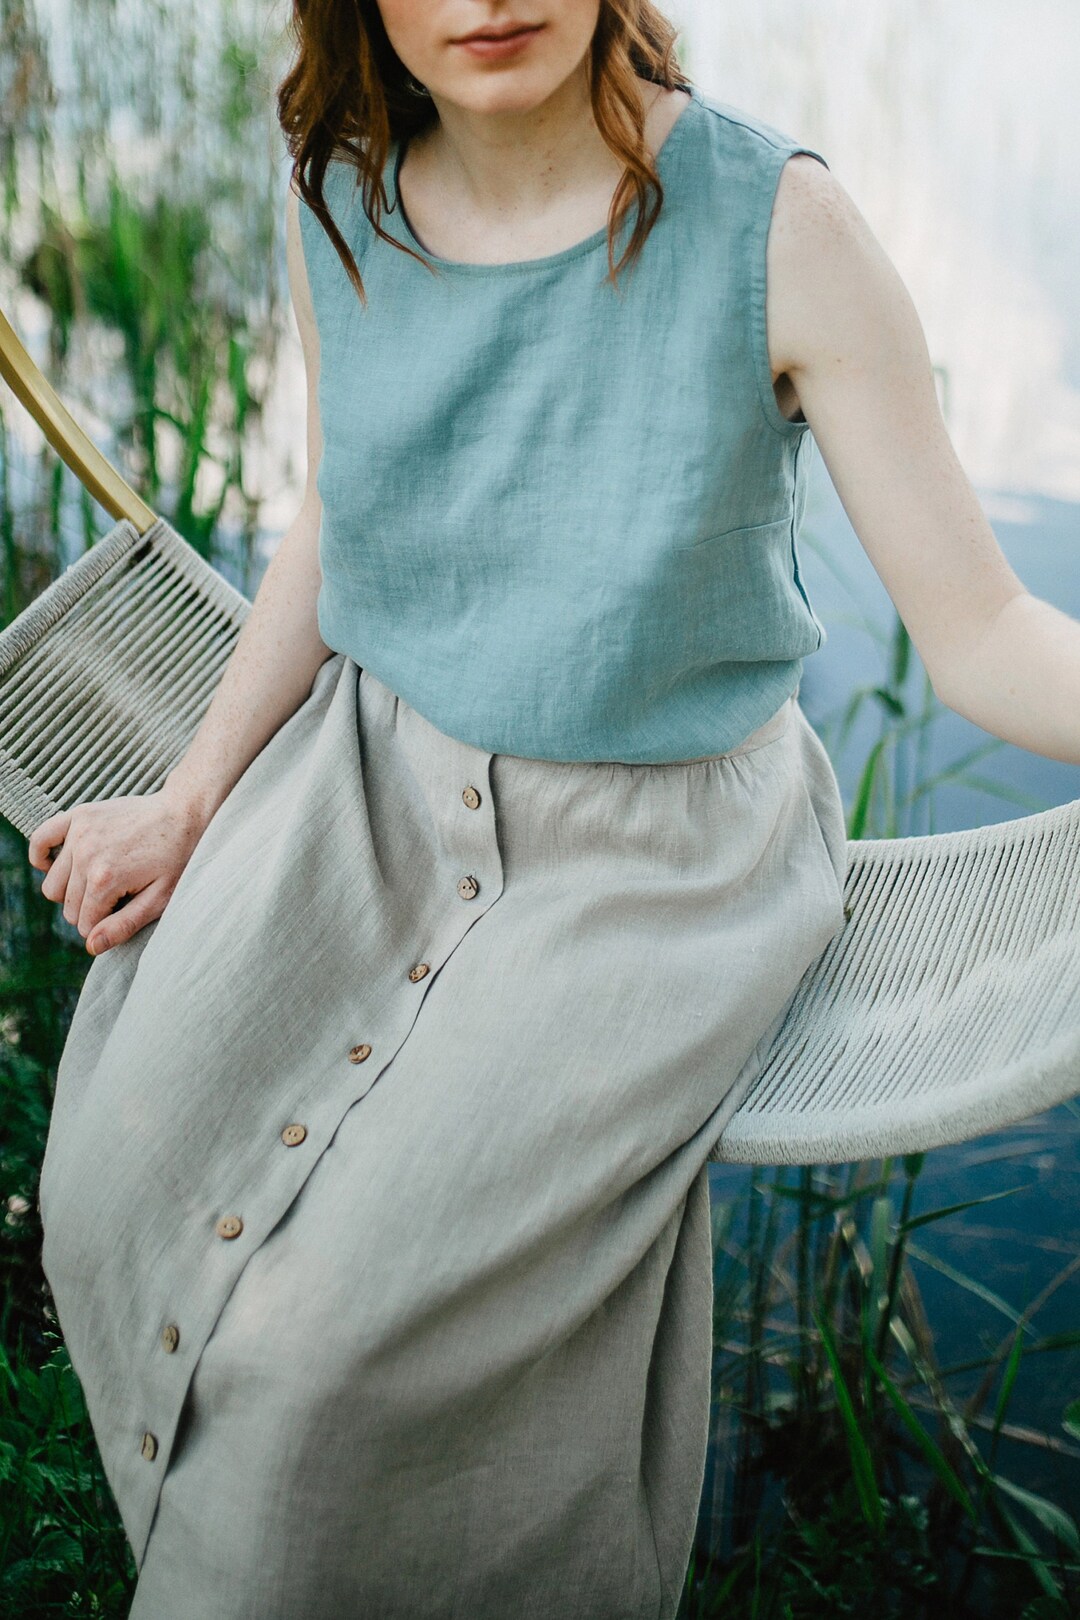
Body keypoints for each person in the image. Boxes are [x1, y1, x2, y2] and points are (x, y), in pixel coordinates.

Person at [27, 3, 1080, 1617]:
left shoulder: (778, 227)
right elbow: (337, 510)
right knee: (109, 1189)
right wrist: (187, 799)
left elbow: (985, 633)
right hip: (365, 780)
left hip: (650, 861)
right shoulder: (341, 191)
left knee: (325, 1360)